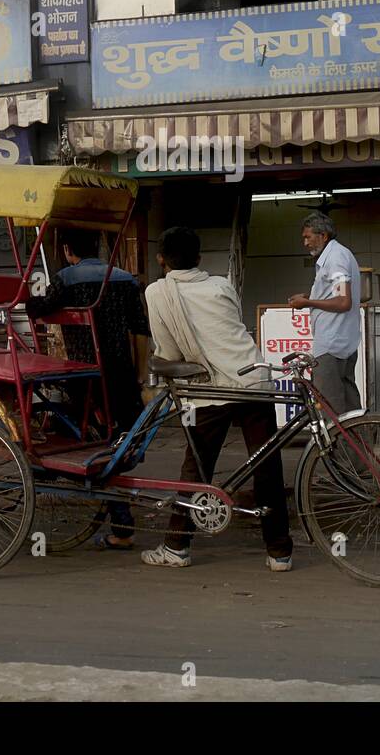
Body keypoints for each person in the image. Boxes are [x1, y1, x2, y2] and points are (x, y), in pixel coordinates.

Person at [141, 226, 293, 572]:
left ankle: (177, 546)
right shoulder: (222, 285)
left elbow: (167, 350)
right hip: (253, 380)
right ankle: (279, 551)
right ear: (198, 259)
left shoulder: (156, 293)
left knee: (196, 468)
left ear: (161, 259)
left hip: (209, 389)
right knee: (267, 466)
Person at [24, 227, 149, 548]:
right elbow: (139, 327)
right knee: (118, 446)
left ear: (68, 249)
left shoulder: (66, 278)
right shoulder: (124, 278)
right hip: (121, 371)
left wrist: (27, 297)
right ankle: (122, 525)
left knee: (92, 446)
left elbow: (38, 310)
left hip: (85, 375)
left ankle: (120, 521)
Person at [288, 212, 362, 415]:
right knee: (348, 405)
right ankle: (360, 446)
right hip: (343, 341)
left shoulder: (335, 258)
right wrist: (311, 296)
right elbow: (337, 294)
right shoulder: (337, 255)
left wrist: (308, 302)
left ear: (323, 236)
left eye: (307, 237)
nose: (305, 243)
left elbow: (343, 301)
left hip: (332, 344)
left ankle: (341, 448)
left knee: (331, 407)